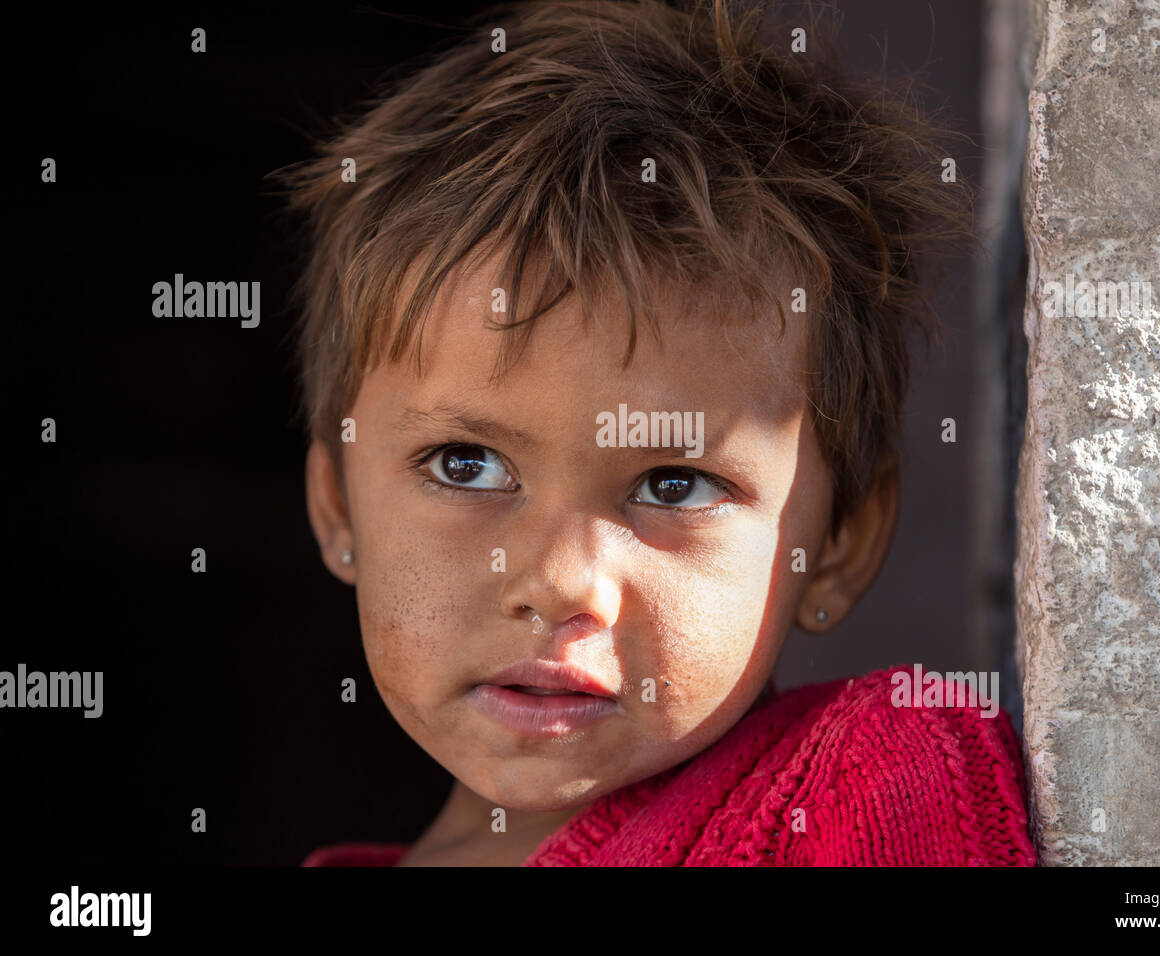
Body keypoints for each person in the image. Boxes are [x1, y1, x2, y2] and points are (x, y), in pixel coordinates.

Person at [275, 0, 1035, 866]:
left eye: (673, 483)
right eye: (468, 464)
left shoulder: (858, 782)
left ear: (837, 542)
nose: (563, 584)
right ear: (338, 503)